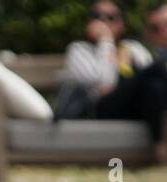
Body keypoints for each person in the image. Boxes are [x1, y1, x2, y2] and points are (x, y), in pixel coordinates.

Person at [61, 1, 167, 163]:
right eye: (97, 17)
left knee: (156, 86)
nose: (103, 22)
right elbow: (105, 85)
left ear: (121, 24)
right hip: (101, 108)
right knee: (158, 69)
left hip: (133, 108)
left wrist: (126, 63)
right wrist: (106, 42)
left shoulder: (134, 48)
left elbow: (148, 86)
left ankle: (159, 148)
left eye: (111, 17)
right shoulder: (79, 50)